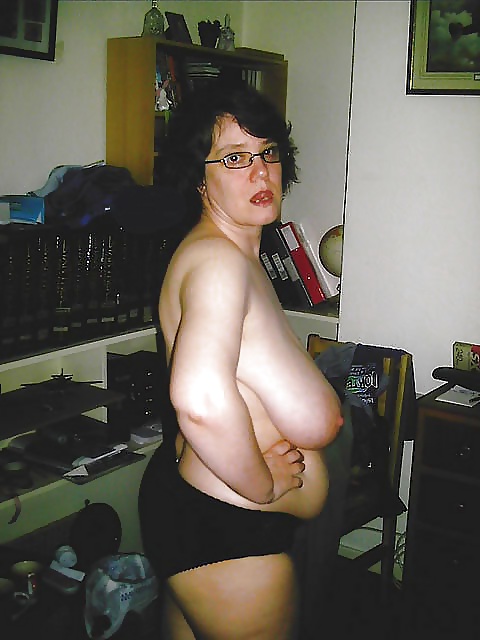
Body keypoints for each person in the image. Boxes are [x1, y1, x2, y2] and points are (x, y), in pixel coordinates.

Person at [138, 83, 343, 640]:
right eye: (233, 158)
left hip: (212, 517)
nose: (260, 172)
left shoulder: (234, 256)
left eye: (267, 152)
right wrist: (262, 485)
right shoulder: (218, 263)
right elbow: (199, 401)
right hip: (226, 526)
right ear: (197, 177)